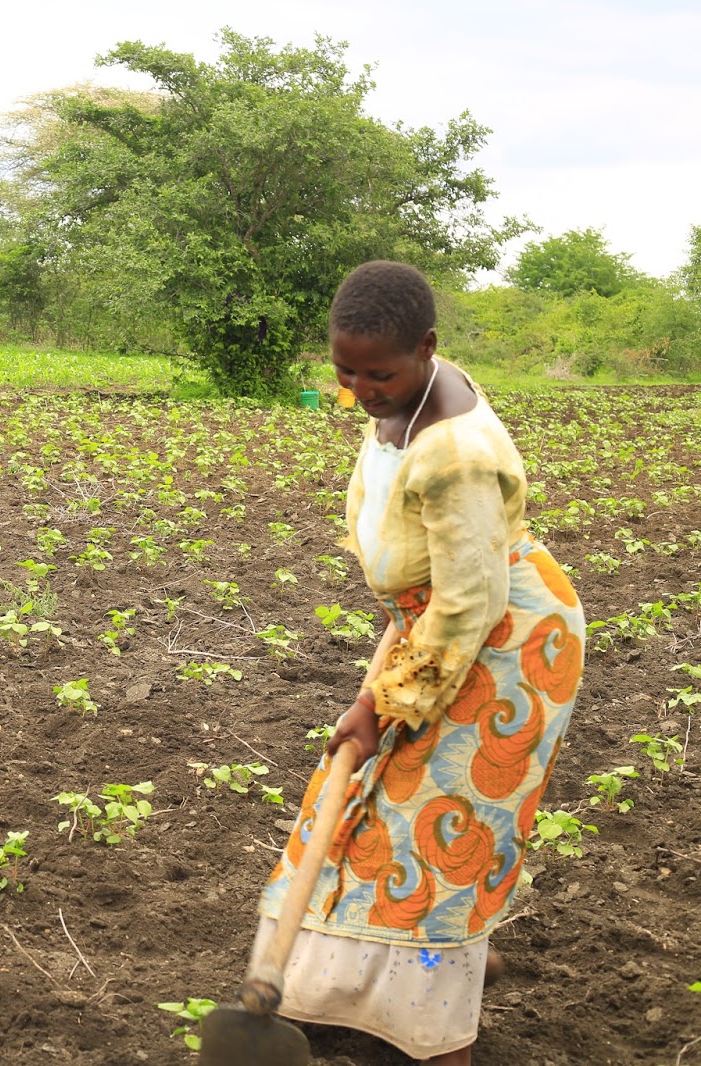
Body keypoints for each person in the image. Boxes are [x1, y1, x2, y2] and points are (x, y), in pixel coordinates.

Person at [252, 261, 584, 1065]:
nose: (362, 389)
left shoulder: (457, 452)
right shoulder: (405, 395)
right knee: (370, 810)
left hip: (503, 646)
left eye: (379, 372)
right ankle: (444, 965)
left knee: (428, 840)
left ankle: (436, 1027)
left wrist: (383, 704)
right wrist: (392, 668)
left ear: (427, 348)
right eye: (346, 371)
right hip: (436, 625)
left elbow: (470, 601)